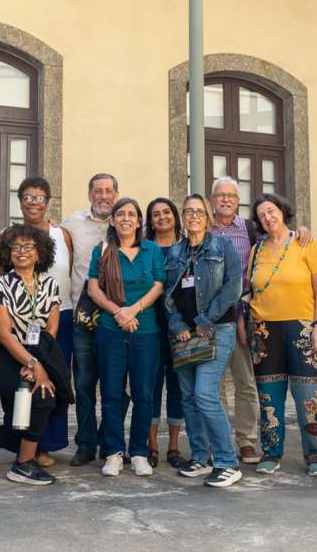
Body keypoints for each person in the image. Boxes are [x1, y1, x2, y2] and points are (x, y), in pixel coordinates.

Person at [0, 224, 72, 486]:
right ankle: (22, 465)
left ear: (39, 253)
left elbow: (51, 329)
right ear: (8, 254)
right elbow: (4, 334)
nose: (21, 251)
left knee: (22, 423)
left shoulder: (50, 285)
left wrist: (37, 361)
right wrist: (33, 365)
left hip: (35, 352)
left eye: (28, 246)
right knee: (40, 397)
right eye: (15, 247)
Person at [248, 193, 317, 477]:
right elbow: (250, 289)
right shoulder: (256, 249)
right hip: (264, 330)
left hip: (303, 326)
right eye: (261, 215)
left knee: (310, 393)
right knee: (269, 396)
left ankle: (316, 455)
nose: (268, 218)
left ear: (283, 211)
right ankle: (271, 452)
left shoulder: (305, 243)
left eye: (271, 211)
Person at [164, 195, 243, 487]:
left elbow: (233, 287)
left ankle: (226, 461)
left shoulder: (222, 247)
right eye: (188, 212)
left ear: (208, 218)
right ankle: (200, 456)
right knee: (188, 397)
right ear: (182, 218)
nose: (193, 216)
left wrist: (204, 321)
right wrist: (177, 323)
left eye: (199, 212)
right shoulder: (175, 252)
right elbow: (167, 295)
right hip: (183, 335)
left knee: (205, 394)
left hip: (216, 330)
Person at [88, 197, 165, 477]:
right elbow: (94, 289)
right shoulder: (103, 250)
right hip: (111, 329)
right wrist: (118, 312)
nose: (126, 219)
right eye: (120, 214)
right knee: (111, 393)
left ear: (139, 221)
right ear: (112, 220)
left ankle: (140, 452)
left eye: (131, 214)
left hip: (146, 331)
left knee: (144, 393)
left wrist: (133, 309)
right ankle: (113, 452)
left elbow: (158, 285)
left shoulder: (152, 250)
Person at [11, 178, 74, 468]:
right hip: (22, 323)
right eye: (27, 197)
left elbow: (68, 274)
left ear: (48, 202)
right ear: (20, 201)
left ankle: (47, 445)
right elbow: (2, 274)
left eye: (38, 198)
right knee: (26, 380)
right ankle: (25, 444)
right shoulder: (10, 235)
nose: (33, 202)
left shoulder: (63, 236)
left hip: (59, 318)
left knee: (56, 379)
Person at [208, 176, 268, 465]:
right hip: (210, 317)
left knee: (245, 382)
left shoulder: (250, 229)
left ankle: (246, 440)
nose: (226, 200)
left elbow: (280, 236)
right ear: (212, 199)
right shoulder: (202, 228)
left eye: (231, 195)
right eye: (220, 195)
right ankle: (218, 439)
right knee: (214, 382)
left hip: (242, 316)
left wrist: (301, 231)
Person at [63, 172, 119, 466]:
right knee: (84, 384)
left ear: (116, 193)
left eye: (108, 191)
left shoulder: (127, 222)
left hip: (116, 317)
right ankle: (85, 443)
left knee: (117, 385)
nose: (103, 196)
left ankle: (108, 438)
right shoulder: (72, 223)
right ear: (89, 195)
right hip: (82, 317)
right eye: (98, 191)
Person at [144, 197, 185, 469]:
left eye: (166, 212)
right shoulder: (144, 249)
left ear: (174, 216)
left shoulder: (186, 247)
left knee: (177, 386)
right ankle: (151, 445)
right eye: (155, 214)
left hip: (180, 328)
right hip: (150, 325)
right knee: (150, 385)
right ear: (149, 221)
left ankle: (173, 446)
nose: (162, 217)